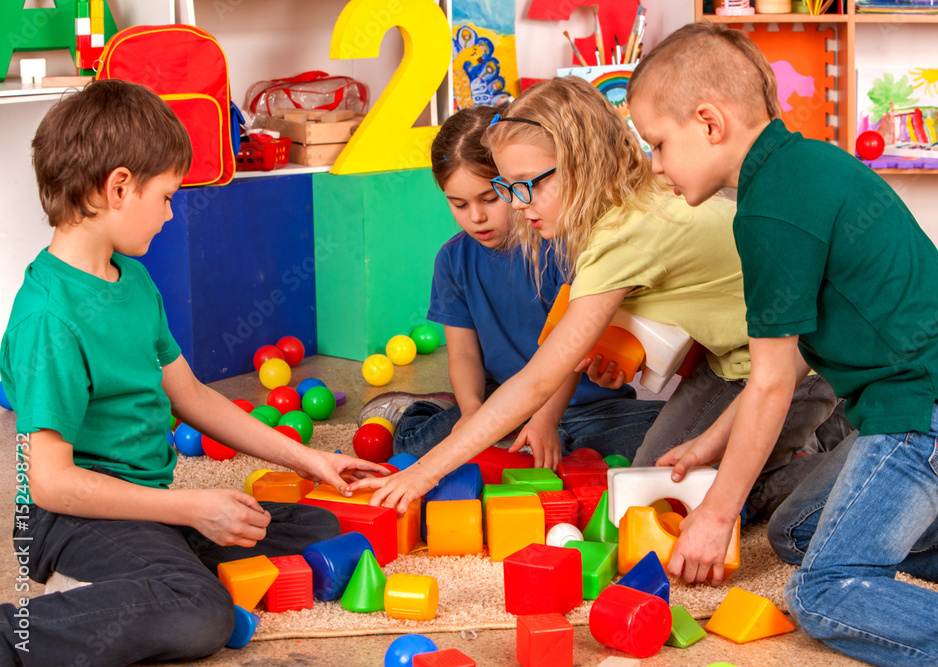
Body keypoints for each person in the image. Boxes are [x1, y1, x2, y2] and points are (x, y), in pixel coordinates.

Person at [625, 22, 938, 667]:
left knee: (826, 591)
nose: (656, 167)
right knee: (798, 533)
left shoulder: (766, 212)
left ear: (710, 124)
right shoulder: (810, 164)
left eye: (659, 145)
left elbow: (771, 382)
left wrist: (717, 514)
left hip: (928, 408)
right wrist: (712, 441)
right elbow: (795, 353)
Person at [0, 79, 385, 665]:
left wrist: (313, 460)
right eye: (167, 197)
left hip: (141, 507)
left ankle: (140, 575)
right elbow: (51, 485)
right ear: (119, 187)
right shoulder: (48, 317)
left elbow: (191, 395)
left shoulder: (130, 279)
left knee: (319, 529)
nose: (171, 213)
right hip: (67, 521)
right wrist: (190, 509)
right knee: (198, 612)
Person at [352, 76, 846, 527]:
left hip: (795, 365)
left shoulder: (621, 236)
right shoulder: (610, 213)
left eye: (526, 186)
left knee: (717, 496)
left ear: (581, 162)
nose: (518, 204)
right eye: (508, 187)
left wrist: (419, 476)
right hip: (729, 363)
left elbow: (538, 379)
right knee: (651, 478)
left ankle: (848, 449)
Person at [357, 105, 665, 470]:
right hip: (505, 405)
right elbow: (463, 355)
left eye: (490, 198)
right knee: (416, 442)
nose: (476, 217)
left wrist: (546, 420)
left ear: (516, 182)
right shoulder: (452, 260)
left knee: (655, 447)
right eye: (459, 204)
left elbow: (566, 355)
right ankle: (430, 408)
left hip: (590, 408)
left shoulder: (561, 246)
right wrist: (471, 411)